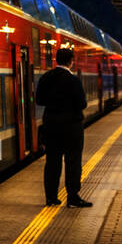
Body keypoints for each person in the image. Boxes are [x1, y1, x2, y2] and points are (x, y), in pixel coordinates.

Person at [35, 46, 91, 208]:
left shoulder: (46, 77)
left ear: (56, 60)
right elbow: (82, 103)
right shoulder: (73, 80)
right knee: (73, 162)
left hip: (51, 126)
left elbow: (39, 100)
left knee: (52, 162)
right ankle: (72, 198)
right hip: (71, 128)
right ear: (71, 61)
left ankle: (51, 198)